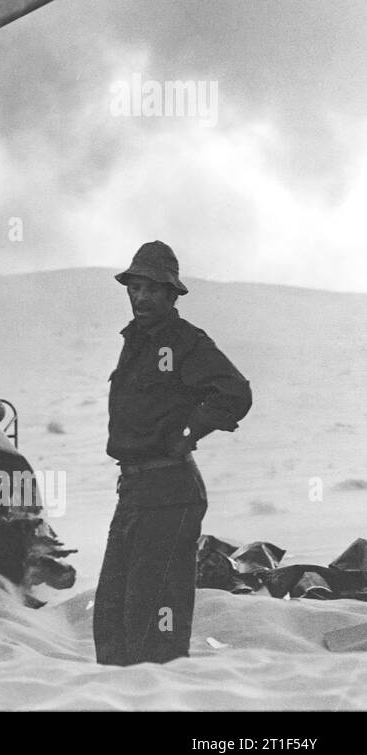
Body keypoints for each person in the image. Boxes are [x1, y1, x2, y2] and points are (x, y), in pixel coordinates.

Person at [93, 240, 252, 666]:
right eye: (134, 288)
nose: (141, 298)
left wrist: (190, 429)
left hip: (171, 492)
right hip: (135, 490)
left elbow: (234, 393)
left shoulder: (185, 342)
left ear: (171, 294)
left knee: (153, 620)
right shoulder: (137, 341)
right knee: (111, 616)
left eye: (151, 289)